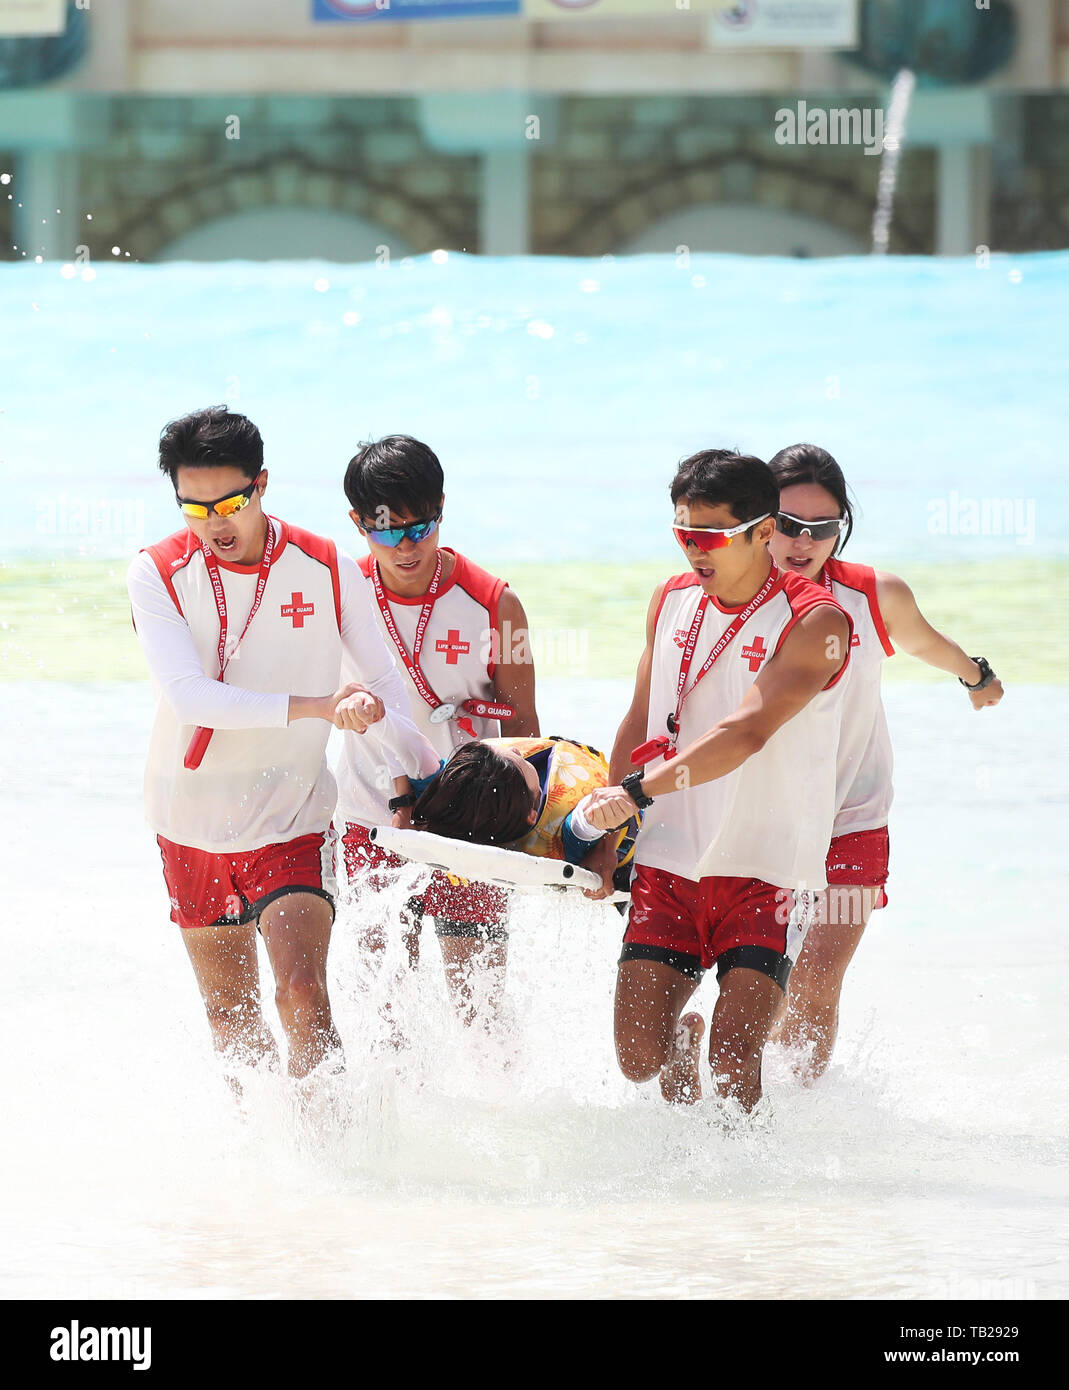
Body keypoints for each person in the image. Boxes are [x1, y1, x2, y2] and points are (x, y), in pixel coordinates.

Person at [127, 406, 439, 1083]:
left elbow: (382, 680)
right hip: (190, 821)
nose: (216, 523)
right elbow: (190, 697)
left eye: (231, 502)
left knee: (302, 995)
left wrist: (427, 779)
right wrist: (322, 708)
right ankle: (267, 1179)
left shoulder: (326, 566)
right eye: (195, 507)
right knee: (232, 1021)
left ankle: (331, 1162)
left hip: (291, 815)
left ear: (262, 484)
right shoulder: (155, 572)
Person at [579, 449, 853, 1112]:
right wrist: (602, 838)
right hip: (668, 862)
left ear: (764, 532)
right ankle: (688, 1197)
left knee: (733, 1064)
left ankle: (747, 1210)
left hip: (764, 867)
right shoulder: (670, 600)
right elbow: (637, 717)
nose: (693, 552)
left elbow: (744, 735)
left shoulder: (816, 622)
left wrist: (637, 793)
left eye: (710, 537)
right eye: (682, 534)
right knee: (638, 1061)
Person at [766, 442, 1004, 1077]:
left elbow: (925, 641)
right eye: (788, 524)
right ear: (760, 520)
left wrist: (976, 676)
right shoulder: (736, 601)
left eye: (822, 528)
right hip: (760, 821)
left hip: (855, 817)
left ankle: (798, 1116)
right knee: (758, 979)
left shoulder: (871, 594)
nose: (802, 541)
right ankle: (744, 1109)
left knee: (817, 976)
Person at [335, 436, 540, 1026]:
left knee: (480, 1010)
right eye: (386, 531)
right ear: (357, 523)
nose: (405, 547)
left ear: (442, 509)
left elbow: (525, 730)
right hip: (371, 815)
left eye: (420, 528)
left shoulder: (497, 605)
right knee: (384, 1003)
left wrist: (523, 828)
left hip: (472, 822)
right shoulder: (340, 595)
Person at [408, 737, 639, 899]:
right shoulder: (568, 833)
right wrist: (607, 843)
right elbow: (587, 820)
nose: (518, 750)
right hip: (622, 867)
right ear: (532, 814)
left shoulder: (467, 788)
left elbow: (412, 748)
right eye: (516, 759)